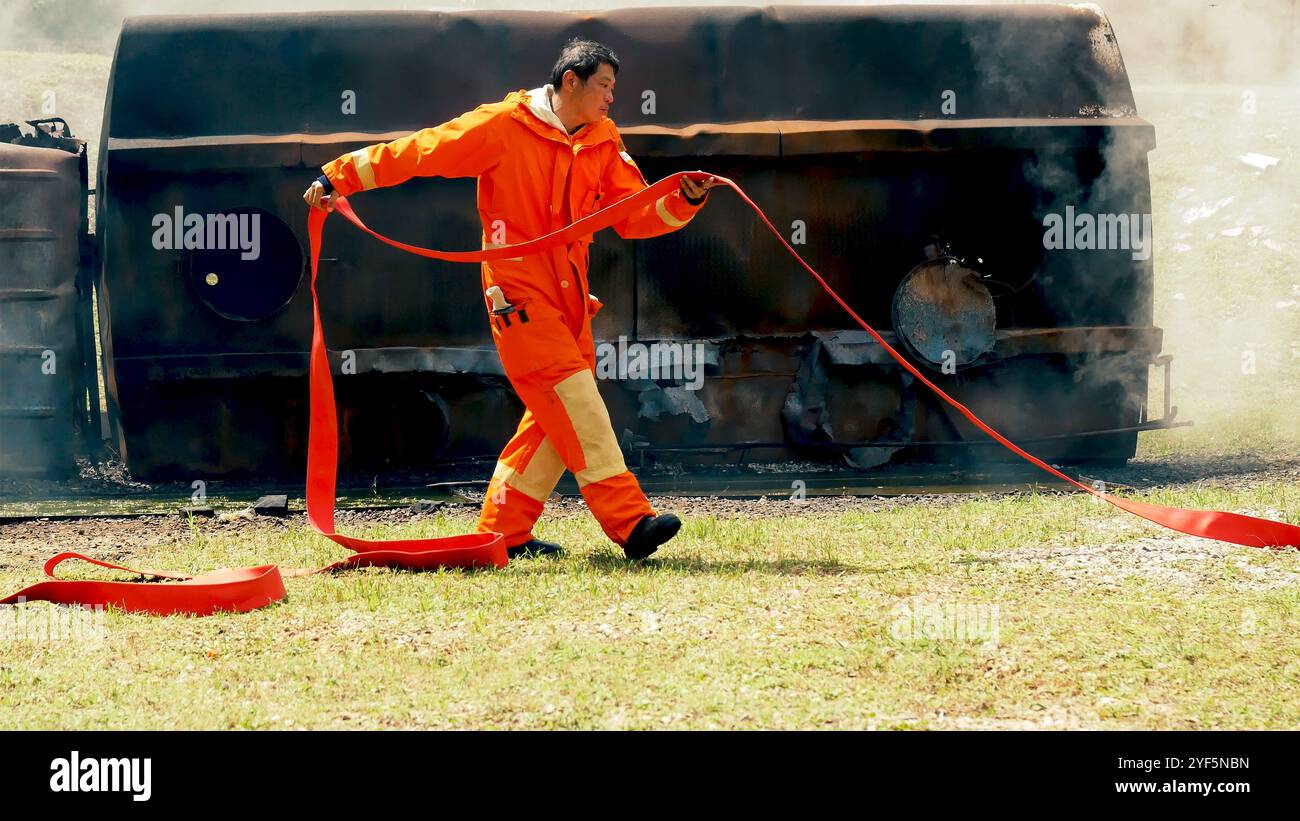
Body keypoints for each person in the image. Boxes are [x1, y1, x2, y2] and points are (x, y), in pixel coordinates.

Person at [304, 38, 714, 561]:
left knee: (551, 420)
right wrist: (336, 175)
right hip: (519, 299)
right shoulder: (503, 125)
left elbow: (634, 215)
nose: (613, 99)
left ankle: (504, 534)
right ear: (572, 81)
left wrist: (682, 199)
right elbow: (422, 150)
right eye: (605, 87)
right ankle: (631, 523)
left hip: (571, 304)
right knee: (576, 404)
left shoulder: (604, 143)